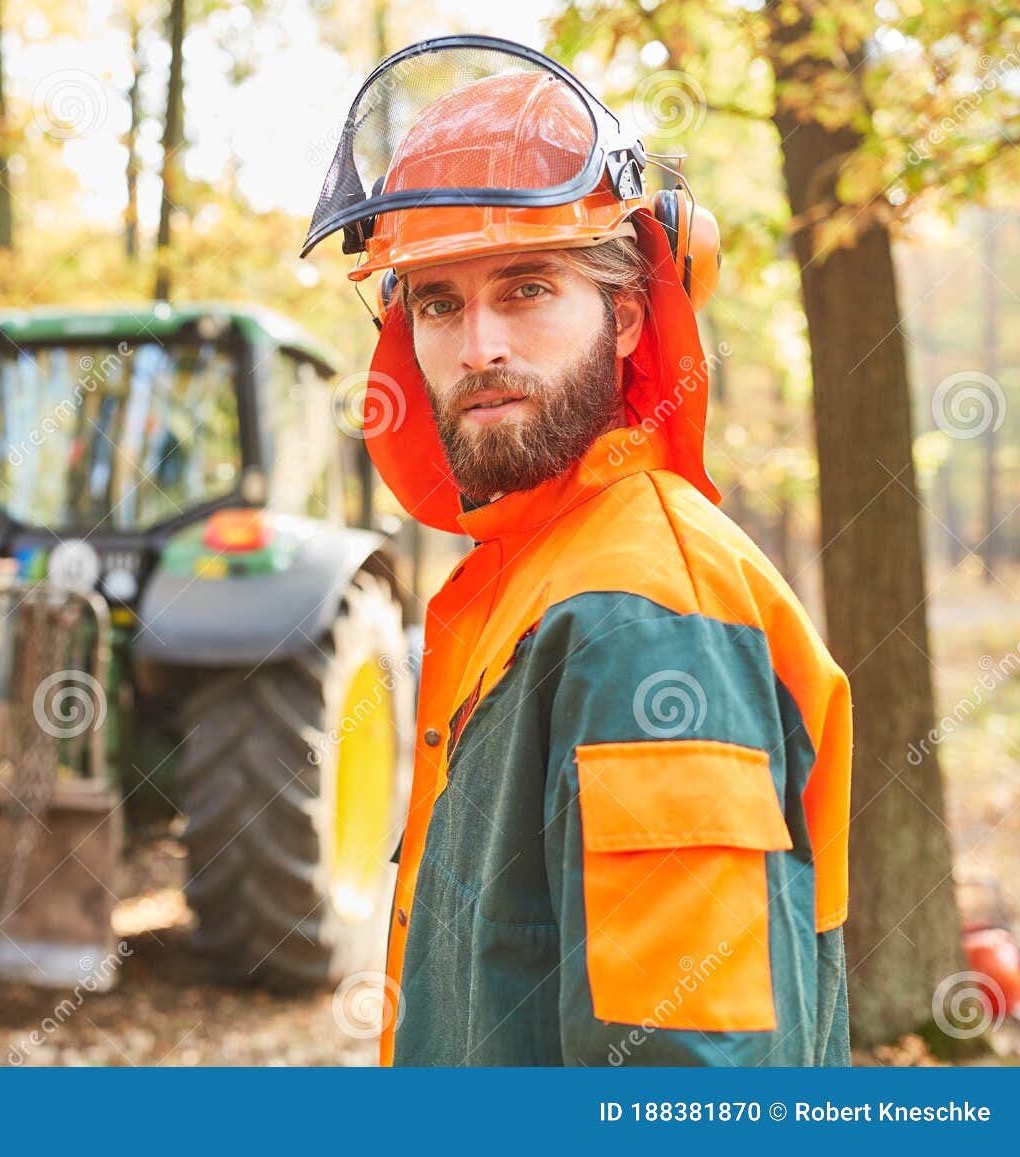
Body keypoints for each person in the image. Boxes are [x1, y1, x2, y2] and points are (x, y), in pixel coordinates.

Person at [301, 37, 853, 1065]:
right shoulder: (528, 579)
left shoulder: (642, 617)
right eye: (437, 302)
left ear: (630, 314)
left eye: (525, 288)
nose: (478, 348)